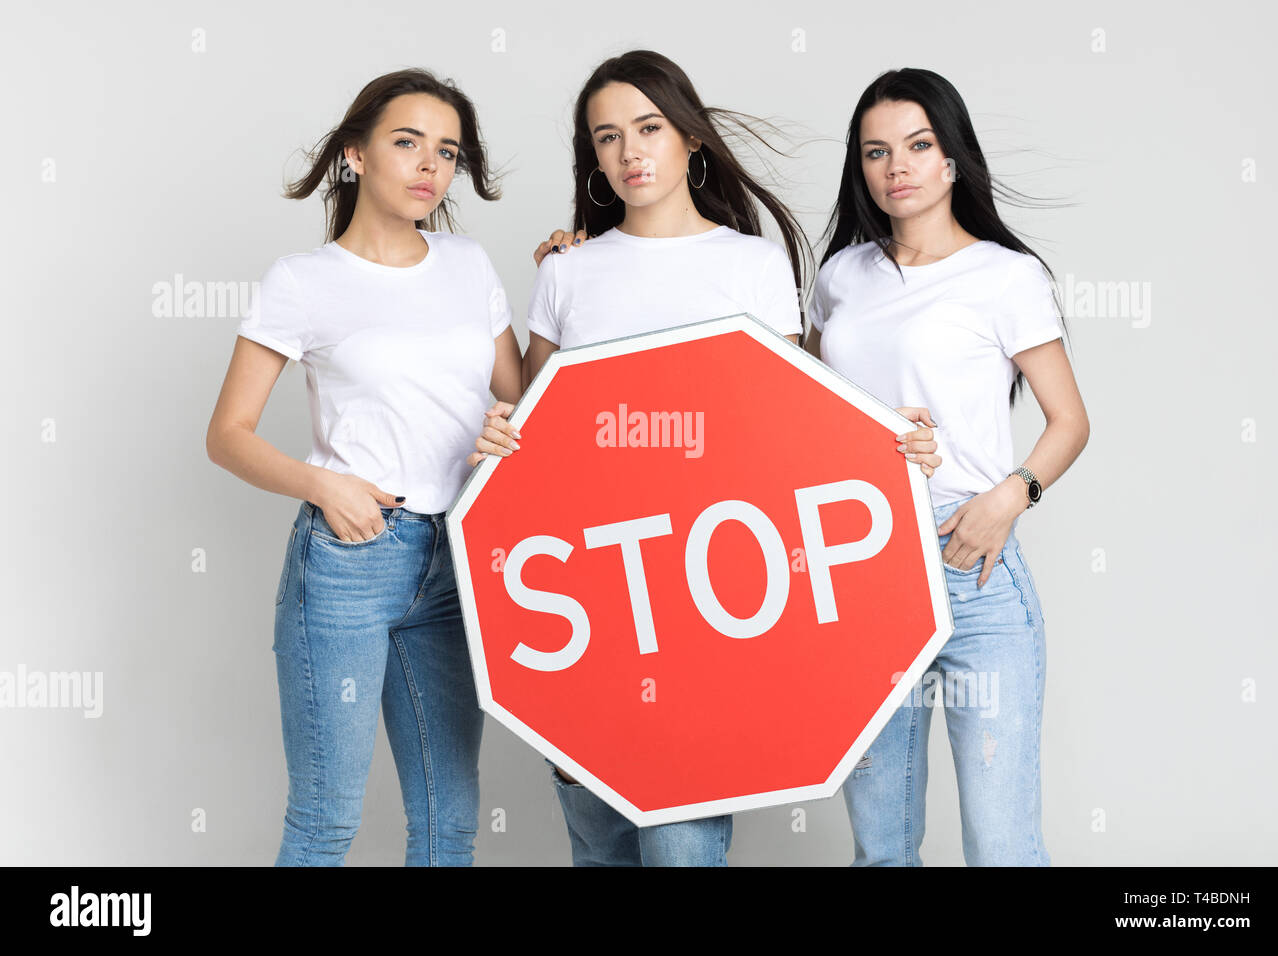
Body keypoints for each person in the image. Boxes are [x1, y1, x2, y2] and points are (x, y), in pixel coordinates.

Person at [469, 50, 941, 866]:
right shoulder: (567, 274)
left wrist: (880, 438)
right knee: (601, 853)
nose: (629, 153)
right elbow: (540, 444)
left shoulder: (754, 266)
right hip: (592, 610)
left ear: (689, 136)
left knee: (681, 851)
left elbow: (788, 434)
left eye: (648, 128)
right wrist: (497, 435)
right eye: (607, 137)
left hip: (704, 613)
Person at [206, 68, 523, 865]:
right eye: (407, 142)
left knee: (450, 822)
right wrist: (324, 483)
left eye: (447, 151)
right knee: (324, 821)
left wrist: (566, 268)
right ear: (355, 155)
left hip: (461, 558)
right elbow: (228, 434)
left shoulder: (469, 265)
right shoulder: (304, 281)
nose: (430, 166)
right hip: (351, 558)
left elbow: (526, 407)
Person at [806, 67, 1090, 866]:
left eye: (918, 145)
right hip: (860, 565)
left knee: (1001, 848)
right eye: (876, 151)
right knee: (881, 848)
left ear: (952, 160)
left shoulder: (1005, 276)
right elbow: (804, 416)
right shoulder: (841, 278)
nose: (897, 166)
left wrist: (1013, 494)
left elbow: (1069, 421)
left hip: (974, 566)